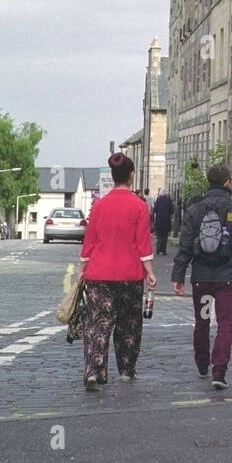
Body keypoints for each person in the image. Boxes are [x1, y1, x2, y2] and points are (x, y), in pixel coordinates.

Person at [172, 163, 232, 390]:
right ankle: (218, 372)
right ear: (227, 182)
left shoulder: (194, 210)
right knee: (224, 324)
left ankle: (202, 364)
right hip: (226, 280)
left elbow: (185, 247)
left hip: (201, 279)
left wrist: (178, 275)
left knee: (201, 322)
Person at [79, 151, 157, 391]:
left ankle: (94, 369)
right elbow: (143, 243)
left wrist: (82, 269)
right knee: (129, 323)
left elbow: (89, 242)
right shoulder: (139, 206)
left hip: (99, 272)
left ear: (113, 176)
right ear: (131, 175)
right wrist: (150, 272)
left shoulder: (99, 206)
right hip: (130, 273)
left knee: (98, 323)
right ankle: (126, 368)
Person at [152, 190, 173, 256]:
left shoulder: (158, 199)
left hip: (159, 219)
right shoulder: (169, 200)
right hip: (166, 219)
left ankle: (158, 249)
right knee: (165, 235)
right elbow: (172, 210)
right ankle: (164, 250)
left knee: (159, 235)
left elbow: (155, 209)